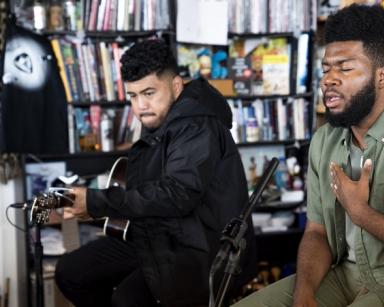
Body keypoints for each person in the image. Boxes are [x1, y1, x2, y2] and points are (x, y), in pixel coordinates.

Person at [233, 4, 384, 307]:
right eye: (325, 70)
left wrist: (363, 215)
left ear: (381, 75)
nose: (328, 80)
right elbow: (317, 231)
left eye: (345, 69)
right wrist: (304, 292)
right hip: (346, 276)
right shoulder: (324, 141)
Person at [55, 39, 255, 307]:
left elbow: (178, 193)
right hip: (158, 233)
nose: (140, 107)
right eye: (133, 96)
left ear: (175, 86)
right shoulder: (162, 117)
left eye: (149, 93)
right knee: (71, 272)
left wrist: (95, 202)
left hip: (196, 248)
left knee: (126, 300)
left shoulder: (196, 124)